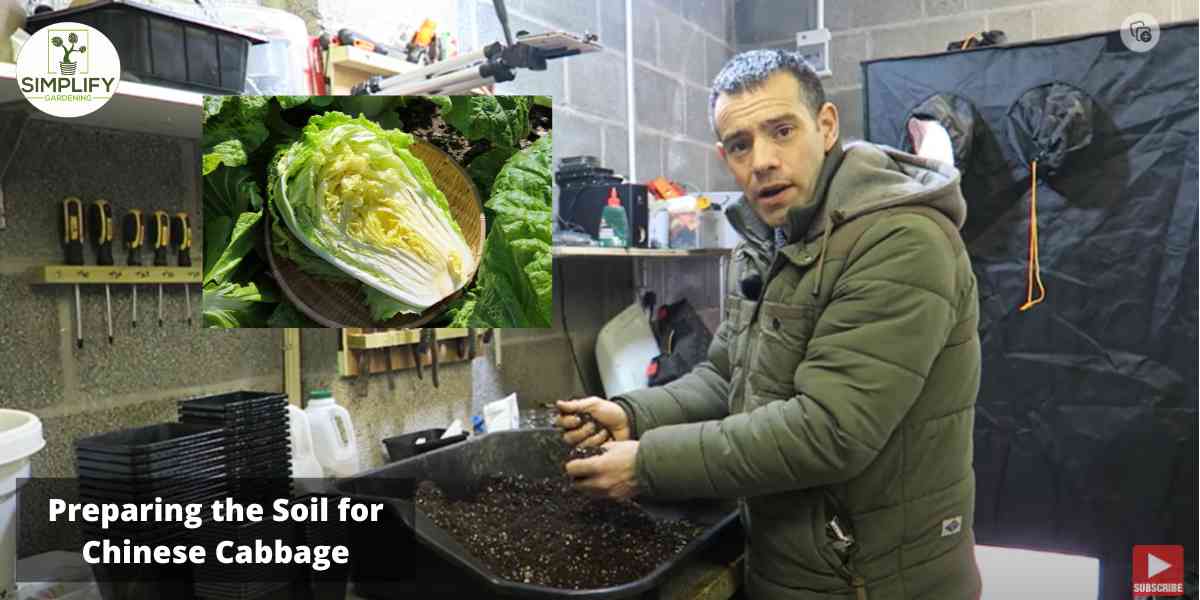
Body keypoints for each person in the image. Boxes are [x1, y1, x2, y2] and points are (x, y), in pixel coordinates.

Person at [557, 49, 982, 600]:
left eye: (782, 131)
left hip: (872, 579)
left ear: (826, 126)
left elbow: (829, 430)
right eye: (740, 145)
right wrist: (632, 413)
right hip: (791, 564)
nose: (762, 160)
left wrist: (649, 465)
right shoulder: (773, 239)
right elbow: (724, 376)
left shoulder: (899, 240)